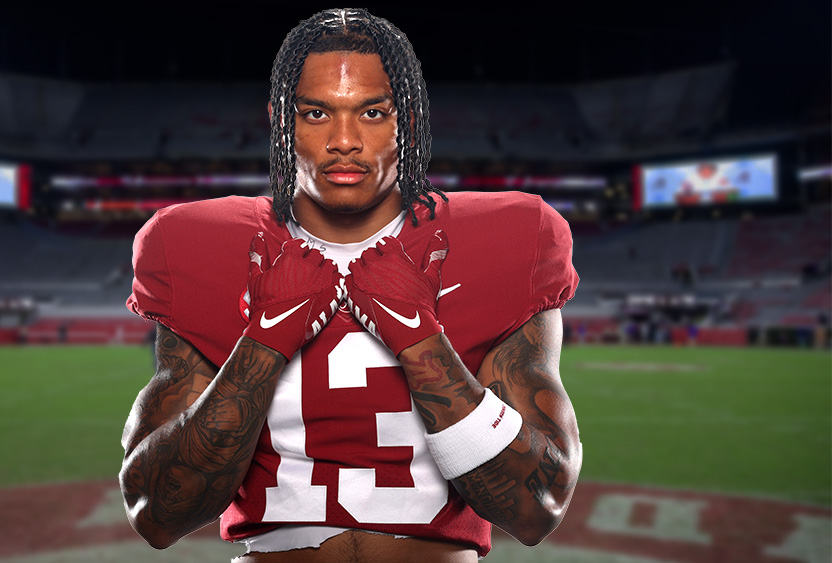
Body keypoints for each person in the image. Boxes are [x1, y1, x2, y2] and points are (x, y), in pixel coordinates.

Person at [120, 8, 582, 562]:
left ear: (407, 120)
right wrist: (265, 337)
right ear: (281, 121)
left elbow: (537, 506)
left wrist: (418, 336)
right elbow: (157, 512)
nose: (344, 140)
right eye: (316, 113)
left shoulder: (510, 238)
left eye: (372, 112)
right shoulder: (197, 244)